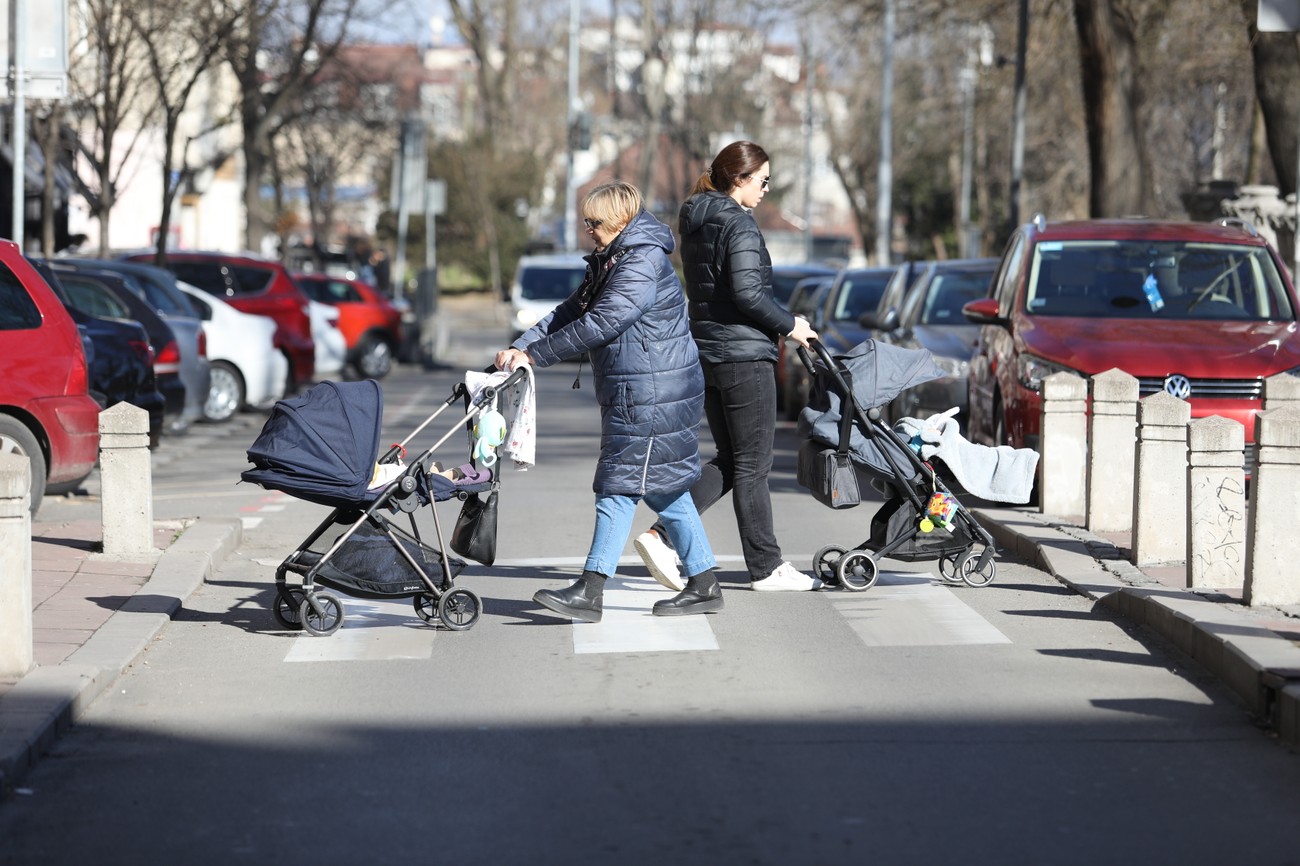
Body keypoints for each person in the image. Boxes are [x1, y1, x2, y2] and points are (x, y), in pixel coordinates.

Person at [495, 180, 722, 622]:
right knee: (665, 487)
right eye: (586, 222)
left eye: (595, 223)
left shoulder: (641, 260)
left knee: (616, 486)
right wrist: (519, 348)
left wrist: (537, 356)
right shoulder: (612, 259)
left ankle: (590, 589)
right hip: (643, 389)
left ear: (621, 220)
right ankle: (704, 583)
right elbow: (571, 311)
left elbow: (606, 320)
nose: (588, 230)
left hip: (652, 393)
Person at [634, 140, 822, 592]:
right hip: (744, 358)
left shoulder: (697, 220)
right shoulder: (738, 224)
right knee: (753, 466)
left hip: (710, 356)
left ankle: (662, 534)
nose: (765, 190)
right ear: (739, 178)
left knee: (732, 461)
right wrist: (791, 325)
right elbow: (748, 294)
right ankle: (767, 567)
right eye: (762, 181)